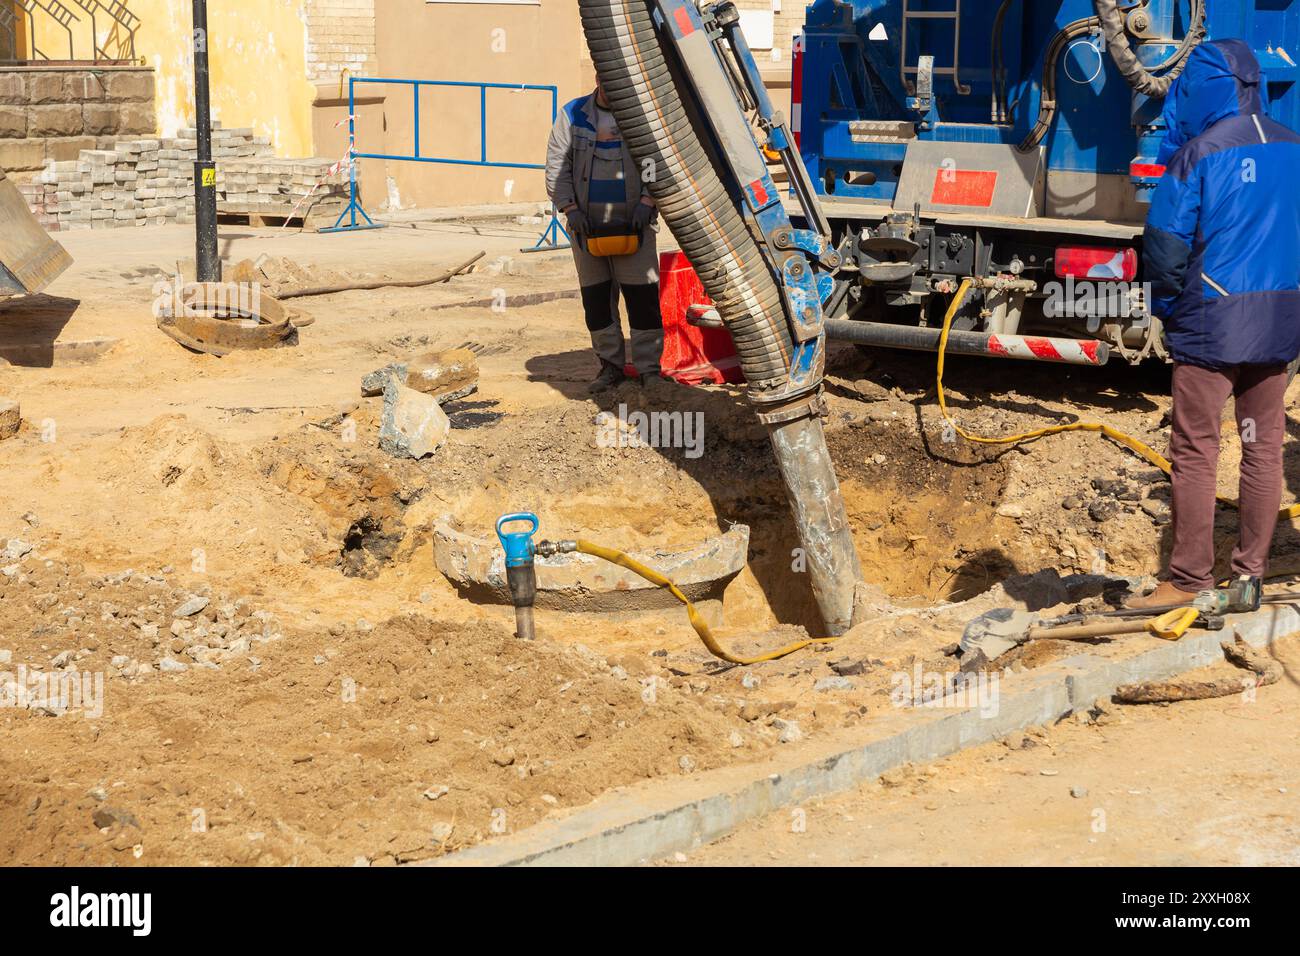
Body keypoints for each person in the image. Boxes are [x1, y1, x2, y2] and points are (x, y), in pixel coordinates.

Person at [1130, 39, 1300, 609]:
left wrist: (1164, 308)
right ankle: (1251, 576)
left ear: (1204, 90)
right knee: (1261, 447)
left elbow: (1165, 248)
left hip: (1211, 325)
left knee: (1198, 448)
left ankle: (1187, 579)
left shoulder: (1199, 153)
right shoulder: (1294, 146)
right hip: (1277, 327)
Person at [545, 79, 664, 393]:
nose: (614, 92)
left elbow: (654, 161)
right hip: (588, 228)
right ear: (597, 81)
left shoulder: (640, 114)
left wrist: (648, 202)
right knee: (597, 300)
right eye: (607, 85)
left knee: (643, 301)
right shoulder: (572, 115)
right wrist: (570, 209)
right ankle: (610, 368)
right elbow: (558, 166)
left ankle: (649, 371)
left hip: (634, 227)